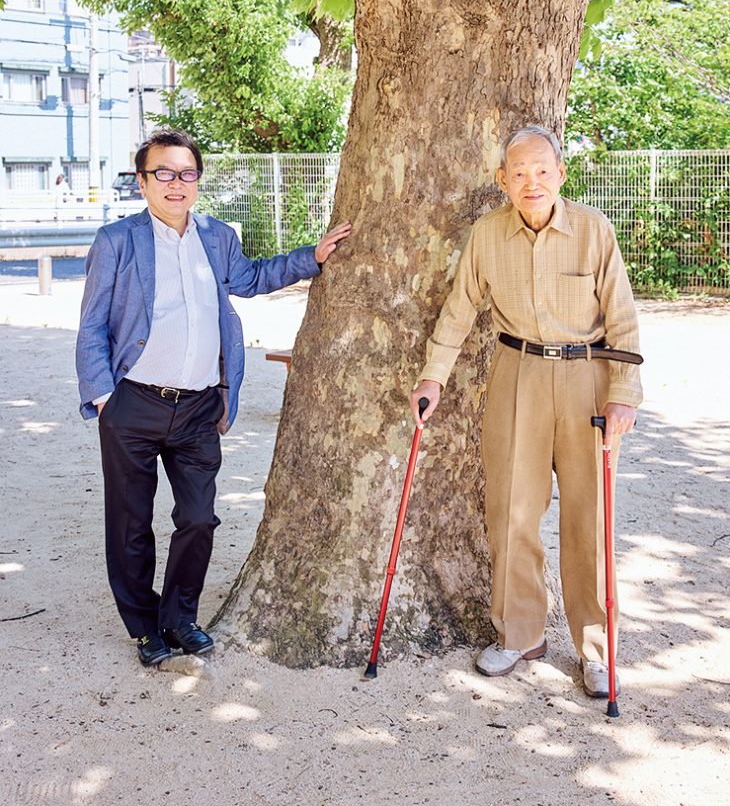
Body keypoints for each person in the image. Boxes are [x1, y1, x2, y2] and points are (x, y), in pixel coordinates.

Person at [76, 129, 351, 667]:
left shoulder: (218, 236)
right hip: (132, 403)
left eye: (186, 173)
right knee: (131, 524)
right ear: (143, 181)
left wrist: (311, 256)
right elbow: (91, 328)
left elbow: (251, 279)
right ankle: (143, 628)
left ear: (197, 179)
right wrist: (105, 397)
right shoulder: (117, 241)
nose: (176, 184)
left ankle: (179, 619)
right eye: (164, 173)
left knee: (198, 518)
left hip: (200, 407)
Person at [410, 125, 642, 699]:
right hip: (518, 373)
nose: (531, 182)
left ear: (561, 174)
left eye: (542, 171)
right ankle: (520, 632)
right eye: (519, 173)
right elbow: (459, 311)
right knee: (511, 509)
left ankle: (596, 646)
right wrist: (432, 378)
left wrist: (623, 394)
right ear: (502, 181)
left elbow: (623, 317)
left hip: (589, 376)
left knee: (589, 518)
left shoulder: (594, 230)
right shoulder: (488, 236)